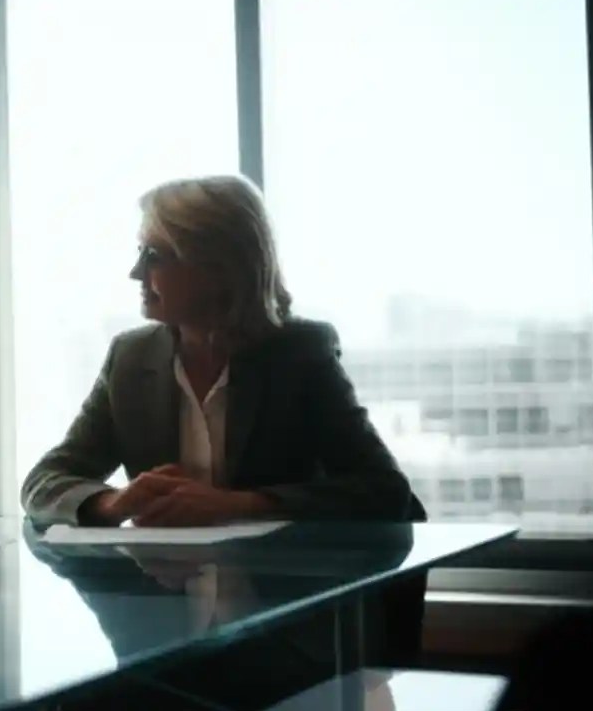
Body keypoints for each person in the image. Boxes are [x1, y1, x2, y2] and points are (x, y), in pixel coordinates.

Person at [21, 174, 424, 528]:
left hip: (286, 586)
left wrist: (239, 506)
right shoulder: (131, 357)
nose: (136, 272)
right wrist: (114, 503)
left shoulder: (299, 354)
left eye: (154, 256)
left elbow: (385, 492)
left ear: (218, 267)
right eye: (139, 252)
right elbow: (44, 482)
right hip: (162, 586)